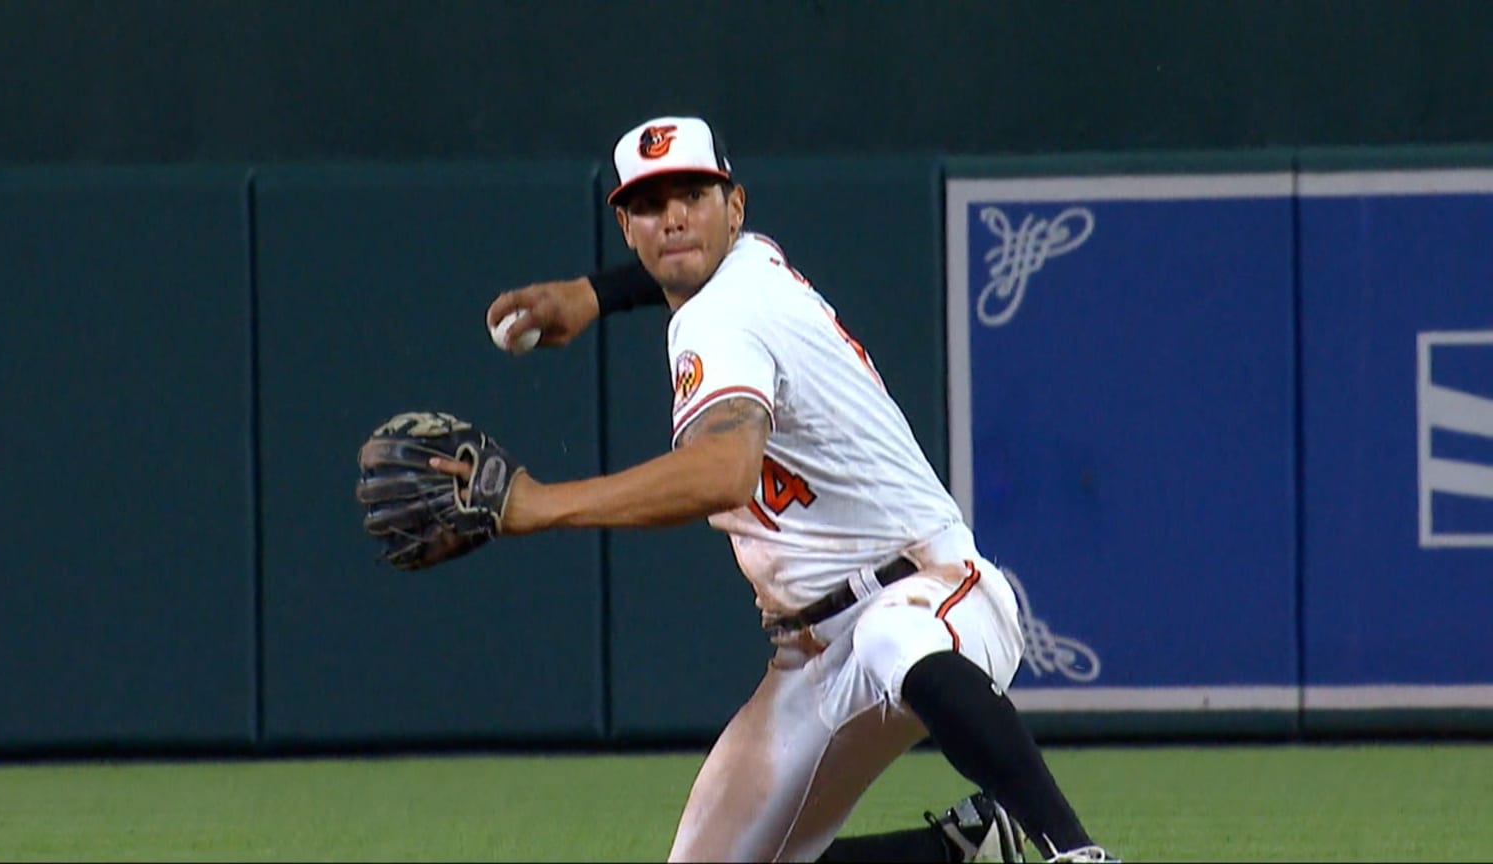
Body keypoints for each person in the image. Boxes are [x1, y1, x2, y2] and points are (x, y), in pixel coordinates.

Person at [452, 115, 1116, 863]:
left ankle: (1075, 853)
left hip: (928, 589)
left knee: (893, 637)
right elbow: (681, 260)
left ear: (734, 204)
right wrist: (592, 295)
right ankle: (964, 852)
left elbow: (723, 470)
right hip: (810, 654)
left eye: (693, 194)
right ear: (624, 223)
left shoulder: (721, 316)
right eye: (649, 203)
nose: (673, 217)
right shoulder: (750, 264)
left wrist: (541, 504)